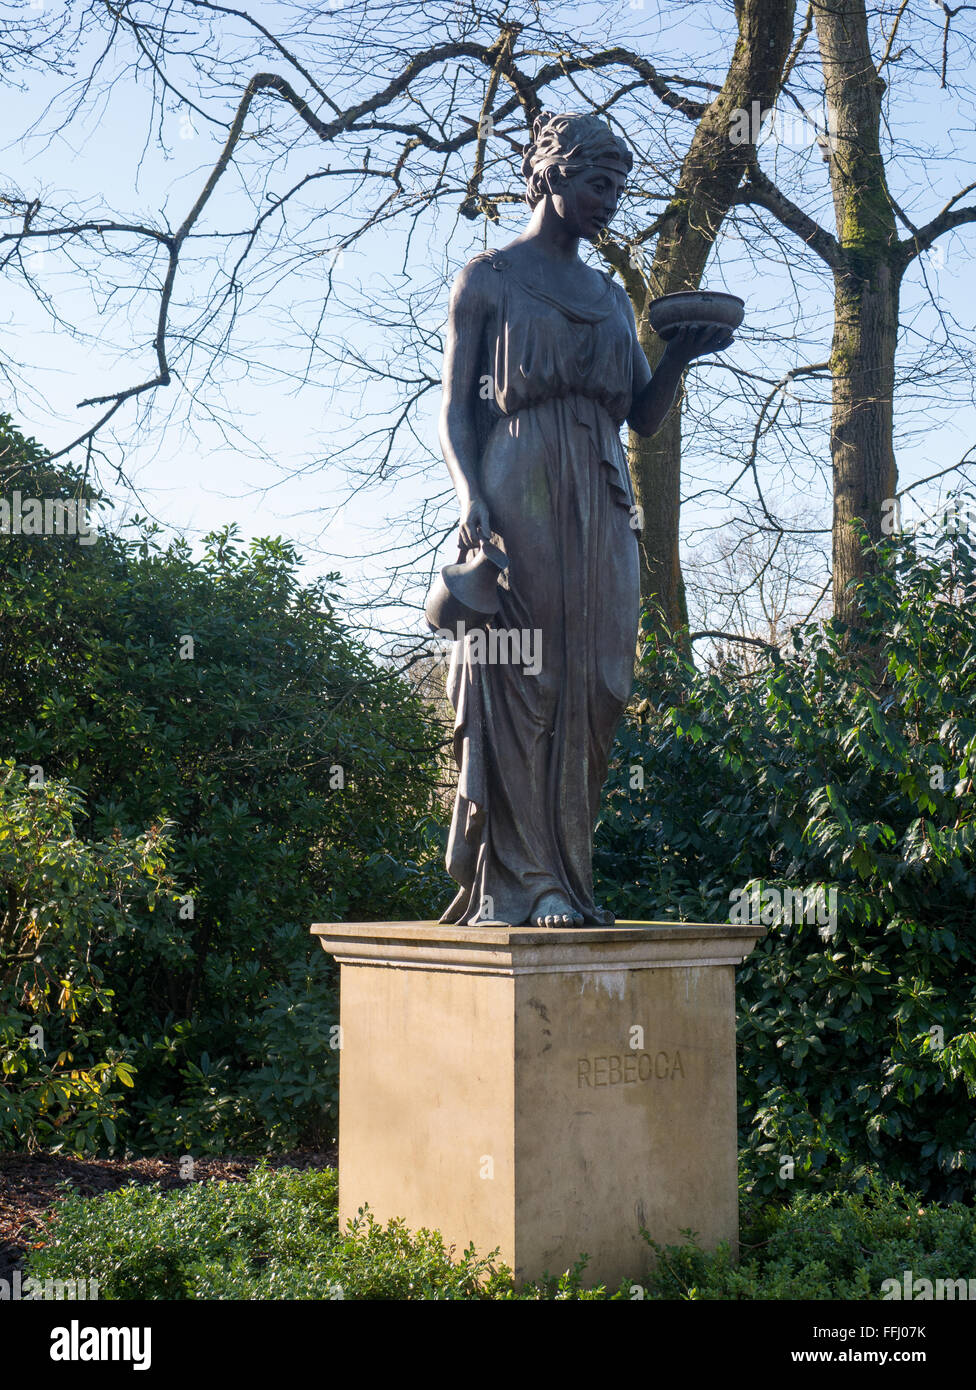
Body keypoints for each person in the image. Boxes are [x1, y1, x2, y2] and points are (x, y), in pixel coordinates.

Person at [437, 111, 733, 928]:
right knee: (528, 675)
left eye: (619, 189)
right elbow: (457, 410)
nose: (611, 202)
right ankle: (524, 881)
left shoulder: (608, 297)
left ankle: (570, 875)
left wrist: (681, 354)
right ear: (552, 175)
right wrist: (473, 500)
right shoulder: (488, 277)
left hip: (601, 494)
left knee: (601, 681)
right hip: (519, 477)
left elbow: (641, 415)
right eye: (599, 184)